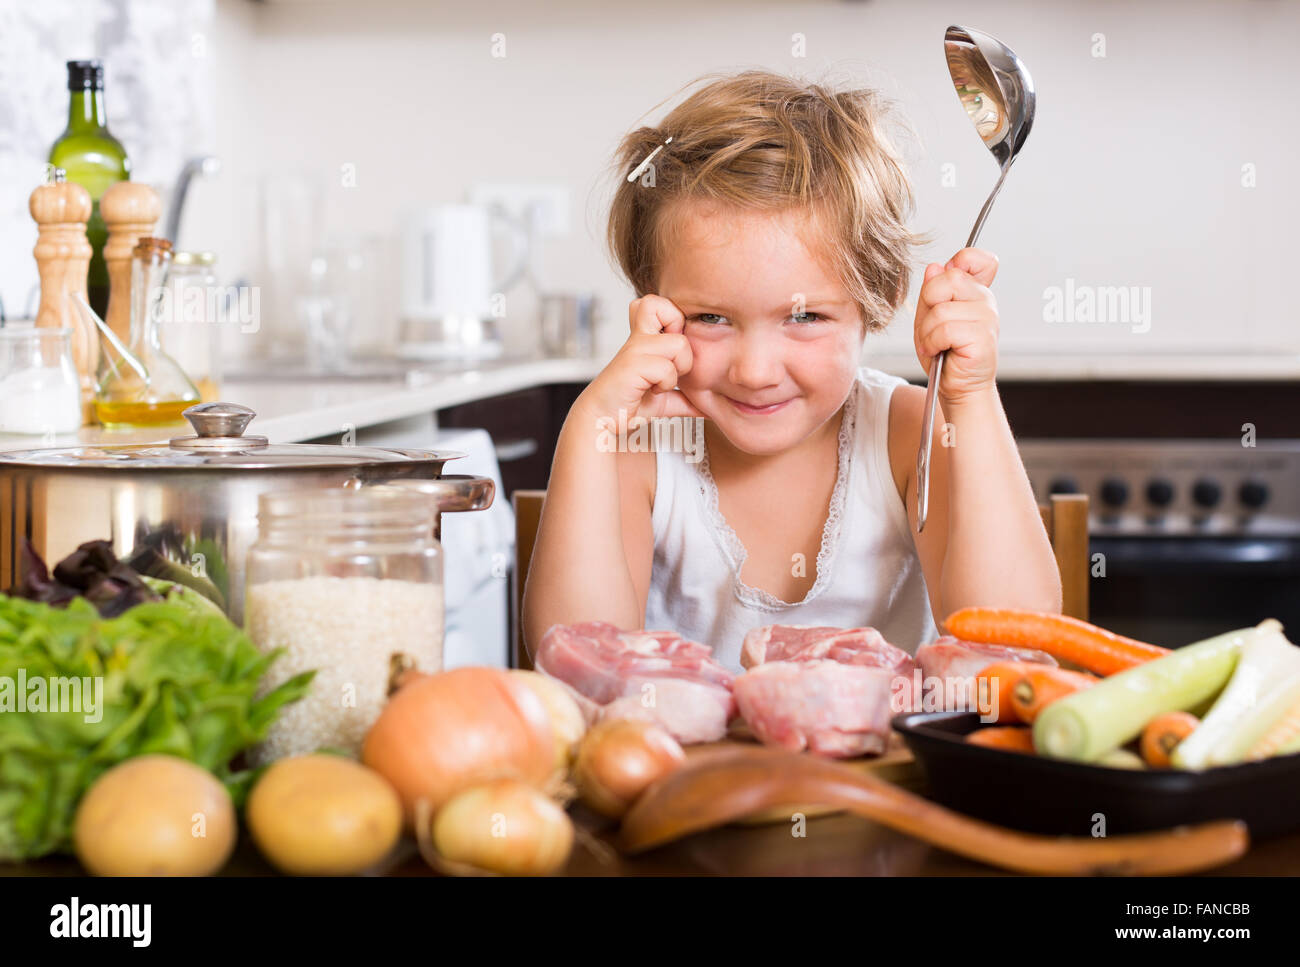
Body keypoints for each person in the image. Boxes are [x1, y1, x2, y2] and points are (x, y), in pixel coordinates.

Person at [523, 69, 1061, 671]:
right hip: (689, 767)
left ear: (875, 299)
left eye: (804, 316)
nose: (755, 371)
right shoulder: (640, 448)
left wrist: (971, 398)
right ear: (654, 306)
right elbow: (574, 662)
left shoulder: (909, 432)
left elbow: (1013, 647)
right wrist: (589, 425)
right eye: (710, 317)